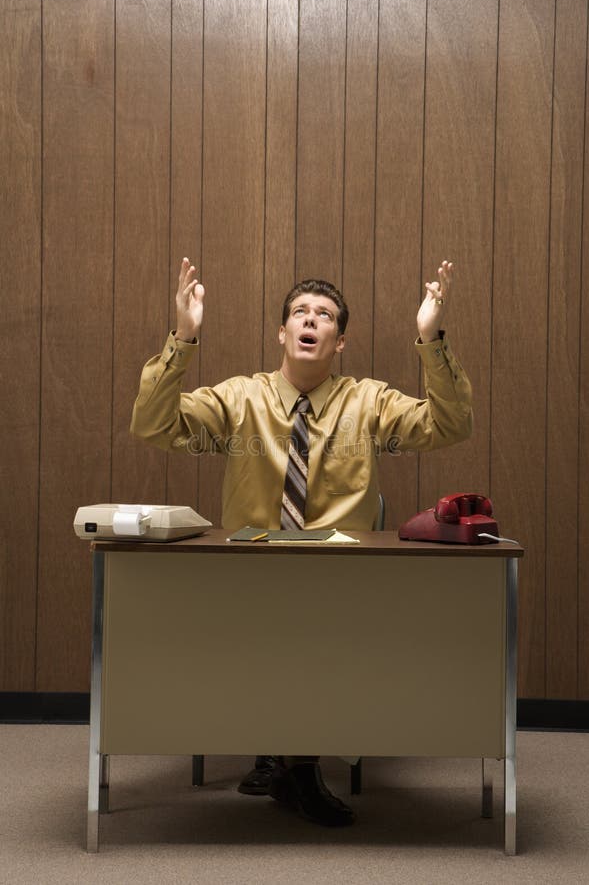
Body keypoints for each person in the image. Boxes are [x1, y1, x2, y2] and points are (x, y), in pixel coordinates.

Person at [131, 257, 473, 827]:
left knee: (317, 617)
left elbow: (449, 424)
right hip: (249, 575)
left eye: (324, 316)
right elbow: (153, 424)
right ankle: (288, 755)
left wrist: (430, 338)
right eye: (299, 313)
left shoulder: (369, 402)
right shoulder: (240, 398)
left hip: (339, 580)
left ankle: (293, 760)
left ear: (339, 341)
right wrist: (183, 341)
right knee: (265, 617)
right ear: (282, 333)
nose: (311, 321)